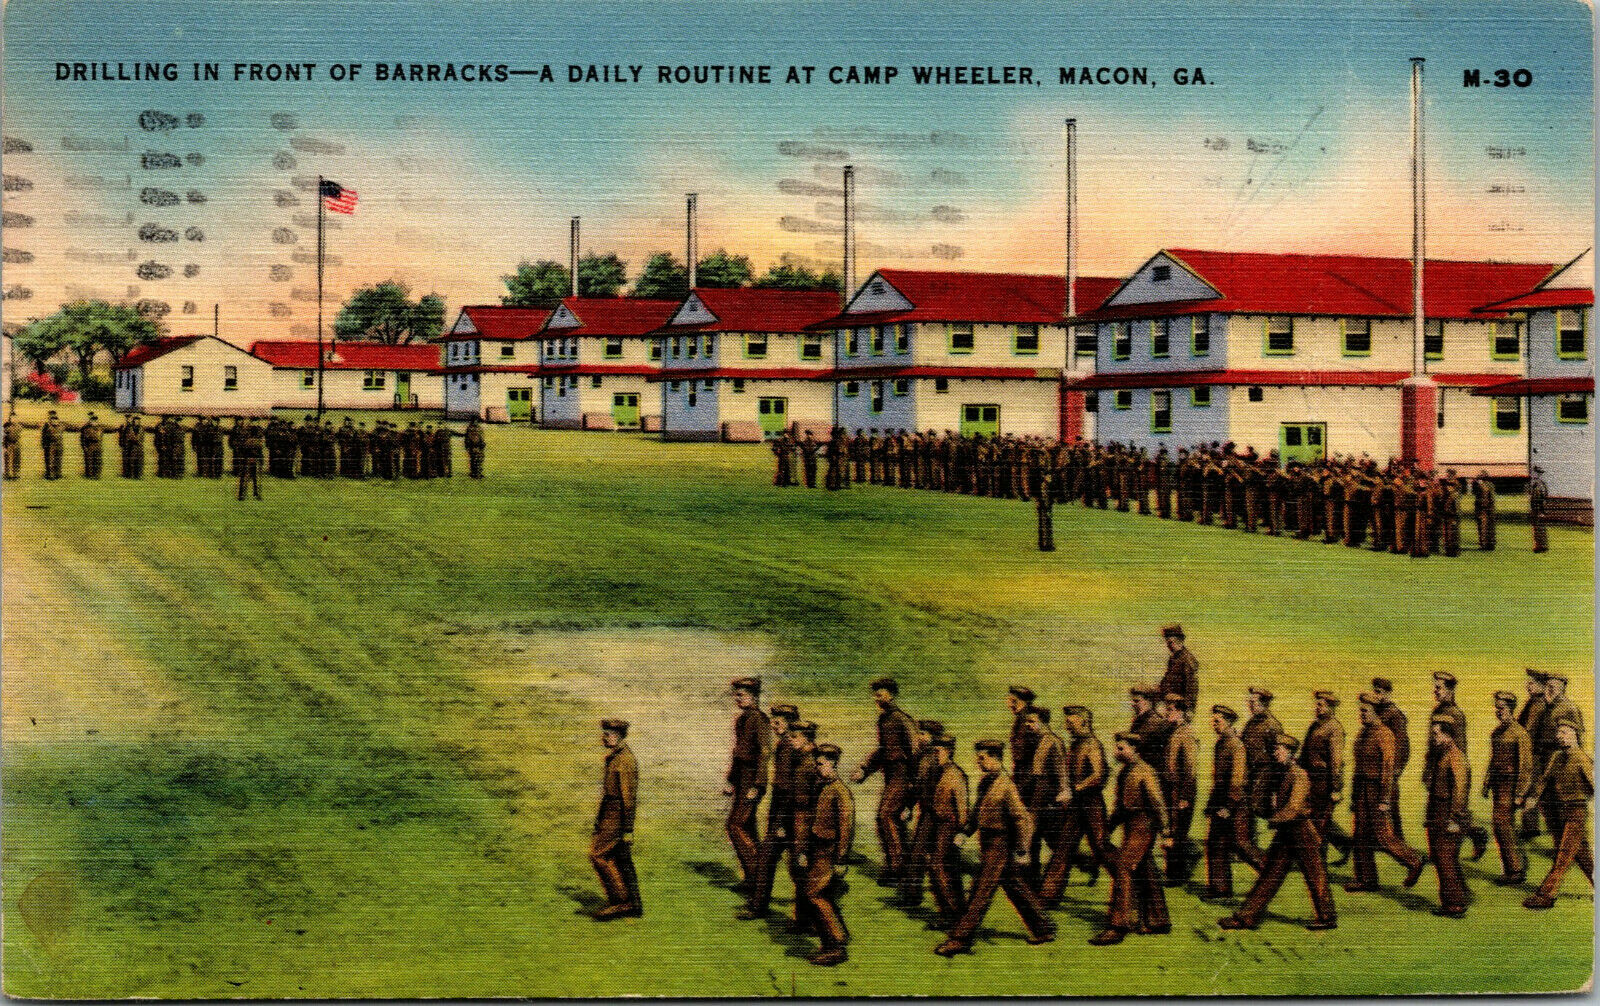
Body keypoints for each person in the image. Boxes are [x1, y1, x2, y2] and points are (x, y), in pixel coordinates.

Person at [935, 740, 1055, 956]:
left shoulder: (1006, 785)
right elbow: (976, 813)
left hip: (1000, 844)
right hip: (988, 841)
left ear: (995, 758)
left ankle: (960, 939)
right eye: (978, 758)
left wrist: (1021, 850)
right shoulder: (985, 783)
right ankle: (1043, 927)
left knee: (980, 891)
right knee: (1014, 885)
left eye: (982, 758)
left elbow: (1021, 819)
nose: (978, 762)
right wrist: (964, 832)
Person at [1218, 734, 1336, 932]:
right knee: (1270, 874)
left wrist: (1273, 821)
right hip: (1288, 832)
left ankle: (1327, 917)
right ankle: (1246, 917)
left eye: (1279, 750)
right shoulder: (1285, 773)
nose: (1275, 753)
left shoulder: (1298, 775)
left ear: (1290, 753)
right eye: (1275, 750)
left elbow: (1294, 808)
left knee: (1315, 874)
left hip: (1301, 832)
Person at [1089, 731, 1169, 945]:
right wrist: (1109, 827)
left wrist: (1166, 832)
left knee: (1124, 868)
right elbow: (1121, 807)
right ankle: (1159, 919)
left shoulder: (1145, 772)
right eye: (1116, 748)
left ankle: (1118, 925)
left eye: (1121, 748)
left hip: (1143, 826)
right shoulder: (1124, 772)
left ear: (1134, 749)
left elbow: (1158, 804)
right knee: (1145, 869)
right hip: (1130, 826)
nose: (1116, 752)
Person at [1344, 692, 1425, 893]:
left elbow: (1388, 769)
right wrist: (1355, 796)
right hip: (1363, 789)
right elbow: (1357, 767)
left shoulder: (1385, 734)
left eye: (1365, 711)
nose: (1361, 714)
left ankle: (1414, 860)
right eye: (1360, 710)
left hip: (1376, 790)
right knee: (1360, 836)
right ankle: (1367, 879)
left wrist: (1384, 799)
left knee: (1381, 835)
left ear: (1376, 712)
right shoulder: (1362, 734)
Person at [1040, 705, 1112, 902]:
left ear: (1084, 721)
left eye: (1070, 722)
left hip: (1092, 804)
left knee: (1101, 847)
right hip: (1076, 805)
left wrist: (1076, 789)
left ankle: (1127, 881)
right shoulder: (1075, 744)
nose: (1066, 726)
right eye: (1066, 722)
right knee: (1063, 848)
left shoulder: (1092, 745)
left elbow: (1098, 775)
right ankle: (1048, 896)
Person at [851, 677, 920, 883]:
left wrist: (913, 784)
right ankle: (902, 868)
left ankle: (897, 869)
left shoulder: (902, 719)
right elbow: (882, 752)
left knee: (886, 817)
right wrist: (864, 769)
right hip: (891, 776)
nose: (876, 698)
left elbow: (915, 751)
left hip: (903, 775)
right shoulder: (883, 720)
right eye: (875, 694)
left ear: (891, 695)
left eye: (880, 694)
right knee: (890, 820)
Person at [1522, 720, 1593, 910]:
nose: (1559, 736)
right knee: (1582, 854)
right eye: (1558, 732)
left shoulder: (1582, 759)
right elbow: (1544, 781)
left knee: (1563, 855)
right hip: (1562, 811)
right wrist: (1533, 798)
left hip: (1577, 812)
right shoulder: (1556, 757)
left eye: (1564, 732)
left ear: (1575, 734)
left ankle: (1546, 894)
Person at [741, 704, 800, 919]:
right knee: (776, 860)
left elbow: (788, 788)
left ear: (790, 723)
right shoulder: (786, 744)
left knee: (778, 861)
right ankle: (759, 906)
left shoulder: (789, 747)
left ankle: (759, 907)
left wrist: (782, 822)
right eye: (773, 721)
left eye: (778, 721)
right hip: (784, 811)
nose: (773, 725)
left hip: (787, 813)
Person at [1203, 704, 1262, 901]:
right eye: (1213, 720)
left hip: (1235, 803)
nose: (1214, 724)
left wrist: (1229, 806)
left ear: (1228, 722)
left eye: (1217, 721)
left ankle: (1269, 871)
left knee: (1241, 844)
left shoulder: (1236, 745)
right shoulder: (1221, 743)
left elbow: (1237, 780)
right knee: (1215, 844)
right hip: (1221, 801)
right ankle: (1220, 890)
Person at [802, 744, 854, 966]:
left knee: (815, 895)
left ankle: (836, 947)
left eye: (821, 764)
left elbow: (846, 828)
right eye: (817, 763)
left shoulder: (840, 791)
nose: (817, 768)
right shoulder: (823, 787)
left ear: (833, 764)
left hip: (829, 851)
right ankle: (832, 942)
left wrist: (841, 858)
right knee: (817, 895)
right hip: (818, 848)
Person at [591, 718, 641, 919]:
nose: (604, 738)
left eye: (609, 734)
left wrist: (628, 829)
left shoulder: (625, 761)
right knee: (617, 859)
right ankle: (627, 901)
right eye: (605, 734)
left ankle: (622, 902)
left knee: (598, 855)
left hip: (617, 817)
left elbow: (628, 799)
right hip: (609, 814)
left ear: (619, 736)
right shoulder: (614, 758)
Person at [724, 677, 771, 891]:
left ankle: (756, 878)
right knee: (749, 829)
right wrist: (731, 780)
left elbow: (764, 752)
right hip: (742, 779)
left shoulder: (760, 719)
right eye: (737, 695)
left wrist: (758, 784)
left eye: (741, 695)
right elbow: (737, 754)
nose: (737, 698)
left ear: (753, 696)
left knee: (735, 825)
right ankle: (755, 879)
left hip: (752, 780)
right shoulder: (742, 720)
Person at [1484, 691, 1534, 885]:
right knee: (1499, 826)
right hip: (1498, 786)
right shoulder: (1496, 733)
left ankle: (1516, 870)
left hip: (1510, 786)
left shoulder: (1520, 734)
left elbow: (1526, 766)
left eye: (1502, 708)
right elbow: (1493, 760)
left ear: (1511, 709)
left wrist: (1520, 793)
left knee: (1504, 826)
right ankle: (1511, 869)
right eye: (1497, 708)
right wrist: (1487, 783)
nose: (1498, 712)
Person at [1425, 716, 1472, 917]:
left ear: (1448, 734)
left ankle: (1454, 904)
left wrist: (1455, 818)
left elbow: (1460, 791)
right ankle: (1460, 895)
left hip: (1447, 813)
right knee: (1441, 857)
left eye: (1436, 734)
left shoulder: (1456, 757)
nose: (1433, 738)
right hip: (1437, 811)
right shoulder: (1441, 754)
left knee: (1445, 858)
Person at [1299, 690, 1350, 865]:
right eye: (1317, 704)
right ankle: (1344, 842)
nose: (1317, 707)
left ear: (1330, 707)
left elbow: (1336, 763)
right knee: (1315, 819)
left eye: (1321, 705)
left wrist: (1336, 788)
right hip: (1310, 780)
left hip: (1324, 782)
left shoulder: (1335, 728)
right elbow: (1304, 754)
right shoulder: (1314, 726)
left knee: (1320, 822)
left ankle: (1318, 861)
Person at [924, 733, 970, 928]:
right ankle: (949, 913)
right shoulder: (940, 772)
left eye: (938, 751)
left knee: (941, 868)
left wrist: (960, 831)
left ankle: (952, 914)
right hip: (939, 825)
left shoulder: (955, 775)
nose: (935, 755)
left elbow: (962, 807)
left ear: (949, 752)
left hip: (949, 828)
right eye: (933, 751)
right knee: (941, 870)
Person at [1022, 707, 1068, 887]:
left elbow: (1061, 769)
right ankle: (1032, 882)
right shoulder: (1038, 740)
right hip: (1038, 788)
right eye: (1027, 722)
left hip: (1047, 791)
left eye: (1032, 721)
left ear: (1043, 721)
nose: (1028, 725)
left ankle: (1086, 863)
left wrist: (1063, 791)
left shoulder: (1053, 741)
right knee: (1039, 836)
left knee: (1050, 838)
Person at [1161, 695, 1199, 885]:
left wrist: (1185, 795)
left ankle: (1176, 875)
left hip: (1181, 789)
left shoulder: (1187, 734)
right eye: (1167, 709)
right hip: (1171, 788)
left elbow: (1190, 769)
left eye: (1170, 710)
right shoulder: (1174, 732)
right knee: (1172, 829)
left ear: (1181, 712)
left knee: (1178, 832)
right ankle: (1173, 873)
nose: (1167, 712)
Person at [1370, 678, 1411, 838]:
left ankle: (1399, 839)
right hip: (1377, 768)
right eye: (1375, 691)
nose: (1376, 695)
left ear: (1387, 693)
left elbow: (1403, 746)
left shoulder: (1395, 715)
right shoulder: (1376, 710)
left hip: (1389, 769)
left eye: (1379, 692)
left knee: (1392, 806)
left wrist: (1395, 770)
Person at [1007, 686, 1039, 799]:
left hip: (1030, 778)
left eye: (1014, 701)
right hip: (1022, 775)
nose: (1009, 705)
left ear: (1024, 702)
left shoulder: (1029, 720)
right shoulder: (1020, 719)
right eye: (1009, 701)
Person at [1159, 625, 1200, 712]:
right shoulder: (1173, 658)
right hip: (1170, 703)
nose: (1168, 646)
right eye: (1167, 643)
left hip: (1180, 707)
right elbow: (1167, 679)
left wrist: (1187, 708)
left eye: (1170, 642)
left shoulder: (1187, 660)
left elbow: (1192, 687)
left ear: (1180, 641)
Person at [235, 419, 264, 501]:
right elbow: (259, 452)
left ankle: (243, 494)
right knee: (251, 477)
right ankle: (253, 493)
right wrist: (260, 460)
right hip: (249, 460)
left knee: (246, 477)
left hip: (247, 460)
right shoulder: (256, 442)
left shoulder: (249, 441)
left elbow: (241, 449)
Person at [1472, 470, 1497, 551]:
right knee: (1488, 527)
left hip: (1484, 508)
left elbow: (1484, 493)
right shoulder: (1490, 484)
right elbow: (1474, 492)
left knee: (1483, 527)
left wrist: (1478, 483)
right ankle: (1489, 544)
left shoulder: (1484, 485)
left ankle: (1485, 545)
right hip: (1487, 508)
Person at [1529, 465, 1549, 553]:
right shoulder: (1537, 484)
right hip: (1535, 509)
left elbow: (1543, 499)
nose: (1533, 475)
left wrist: (1542, 511)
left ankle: (1540, 546)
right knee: (1537, 528)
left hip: (1538, 510)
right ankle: (1540, 545)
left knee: (1539, 528)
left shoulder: (1540, 485)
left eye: (1535, 473)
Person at [78, 412, 104, 478]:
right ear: (90, 421)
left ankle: (97, 475)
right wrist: (84, 448)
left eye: (95, 420)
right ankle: (89, 475)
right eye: (93, 420)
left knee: (98, 461)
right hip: (90, 446)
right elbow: (82, 439)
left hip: (98, 446)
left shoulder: (100, 428)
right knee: (89, 461)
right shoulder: (86, 428)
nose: (94, 421)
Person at [39, 410, 64, 480]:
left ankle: (58, 473)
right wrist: (44, 445)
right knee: (50, 460)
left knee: (58, 459)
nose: (52, 416)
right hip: (50, 445)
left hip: (59, 445)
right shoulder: (46, 425)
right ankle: (50, 474)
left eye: (53, 415)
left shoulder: (61, 425)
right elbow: (43, 436)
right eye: (50, 415)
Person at [1036, 471, 1056, 551]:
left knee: (1045, 526)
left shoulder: (1047, 485)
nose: (1050, 478)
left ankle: (1044, 544)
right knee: (1046, 526)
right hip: (1044, 508)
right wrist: (1047, 508)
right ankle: (1046, 545)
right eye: (1048, 477)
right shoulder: (1045, 486)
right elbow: (1045, 499)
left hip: (1044, 507)